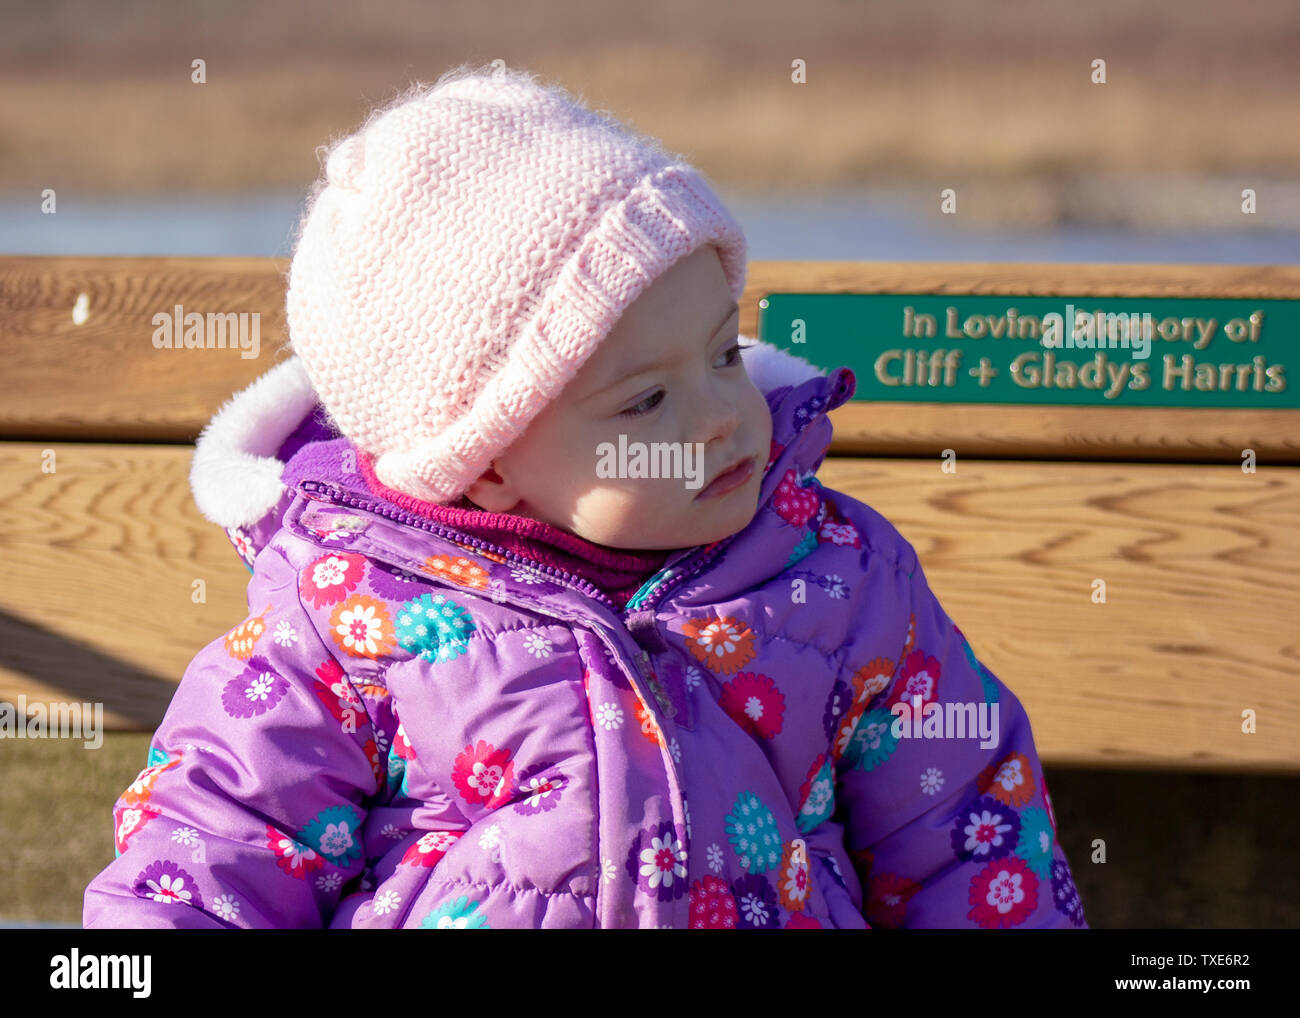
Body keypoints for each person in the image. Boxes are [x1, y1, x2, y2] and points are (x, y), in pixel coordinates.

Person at [83, 62, 1087, 929]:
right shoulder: (347, 620)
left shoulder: (838, 580)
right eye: (646, 399)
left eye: (723, 352)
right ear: (482, 463)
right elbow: (214, 844)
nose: (723, 418)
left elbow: (967, 829)